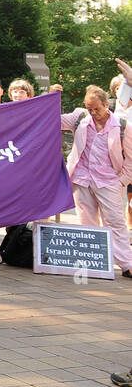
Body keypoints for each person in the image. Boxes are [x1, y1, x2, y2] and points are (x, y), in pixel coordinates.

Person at [61, 85, 132, 278]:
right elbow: (54, 120)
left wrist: (122, 181)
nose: (93, 113)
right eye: (89, 108)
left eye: (97, 109)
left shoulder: (122, 126)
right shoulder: (80, 118)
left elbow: (131, 159)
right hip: (82, 179)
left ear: (106, 105)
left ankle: (126, 263)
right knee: (87, 222)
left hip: (108, 181)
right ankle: (96, 261)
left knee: (115, 222)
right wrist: (50, 96)